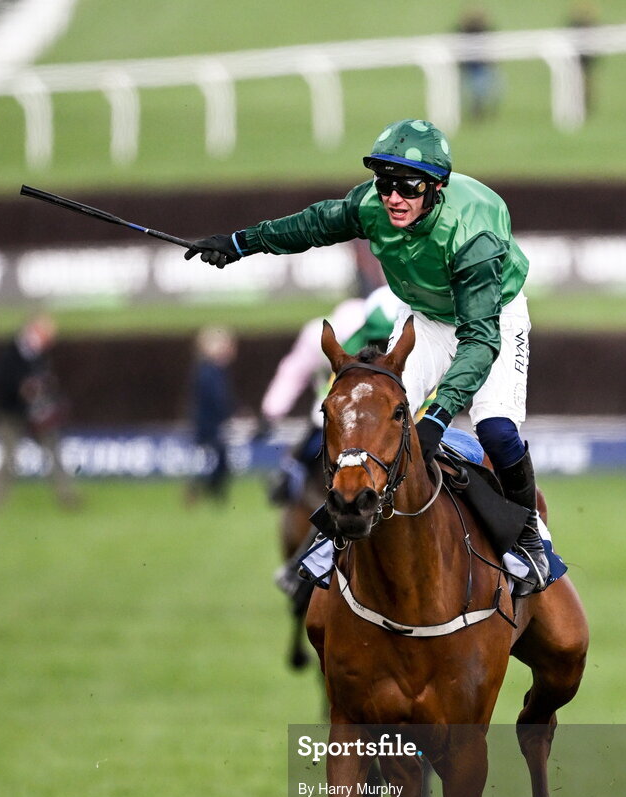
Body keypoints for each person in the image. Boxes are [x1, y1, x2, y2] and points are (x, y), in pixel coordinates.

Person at [184, 118, 548, 595]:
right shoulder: (372, 204)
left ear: (435, 187)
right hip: (427, 317)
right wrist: (238, 244)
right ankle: (334, 535)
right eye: (385, 184)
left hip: (492, 318)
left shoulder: (472, 235)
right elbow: (312, 225)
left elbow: (478, 342)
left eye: (408, 187)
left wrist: (437, 415)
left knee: (495, 429)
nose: (393, 198)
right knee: (370, 414)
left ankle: (529, 540)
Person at [261, 286, 401, 505]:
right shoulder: (330, 337)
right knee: (312, 445)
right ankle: (289, 479)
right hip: (336, 406)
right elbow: (294, 372)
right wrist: (273, 409)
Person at [0, 313, 78, 508]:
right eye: (46, 336)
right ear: (34, 331)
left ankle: (68, 498)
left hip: (38, 415)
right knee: (8, 460)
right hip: (11, 415)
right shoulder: (11, 352)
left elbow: (44, 382)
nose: (48, 342)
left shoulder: (38, 355)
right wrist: (23, 388)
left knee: (54, 454)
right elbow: (2, 382)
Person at [185, 326, 237, 503]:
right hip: (208, 424)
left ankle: (205, 492)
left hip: (210, 423)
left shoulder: (213, 370)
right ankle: (207, 492)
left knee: (216, 460)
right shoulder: (208, 370)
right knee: (218, 460)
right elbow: (215, 398)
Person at [456, 8, 502, 121]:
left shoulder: (485, 31)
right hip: (472, 69)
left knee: (485, 90)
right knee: (478, 89)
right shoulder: (462, 31)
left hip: (481, 68)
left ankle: (481, 111)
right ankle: (477, 112)